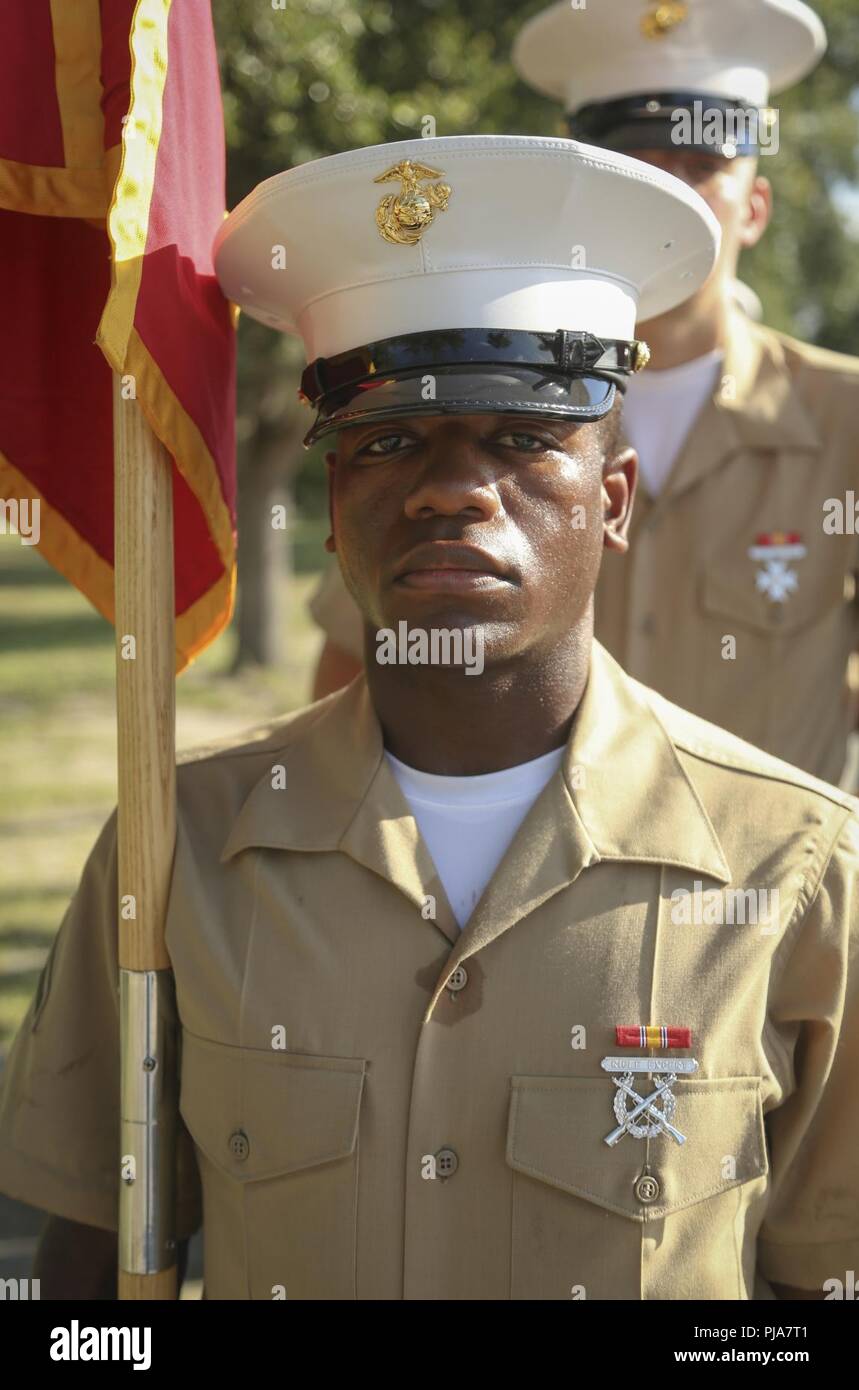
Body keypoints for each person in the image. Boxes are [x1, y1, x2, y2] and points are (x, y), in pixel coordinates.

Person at [0, 134, 856, 1301]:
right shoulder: (179, 842)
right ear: (336, 498)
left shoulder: (797, 864)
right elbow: (86, 1268)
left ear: (611, 501)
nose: (451, 487)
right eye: (387, 441)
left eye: (520, 441)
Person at [309, 0, 859, 795]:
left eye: (701, 167)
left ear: (756, 208)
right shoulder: (458, 405)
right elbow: (355, 651)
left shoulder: (842, 417)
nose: (669, 197)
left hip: (771, 895)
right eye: (632, 170)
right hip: (540, 889)